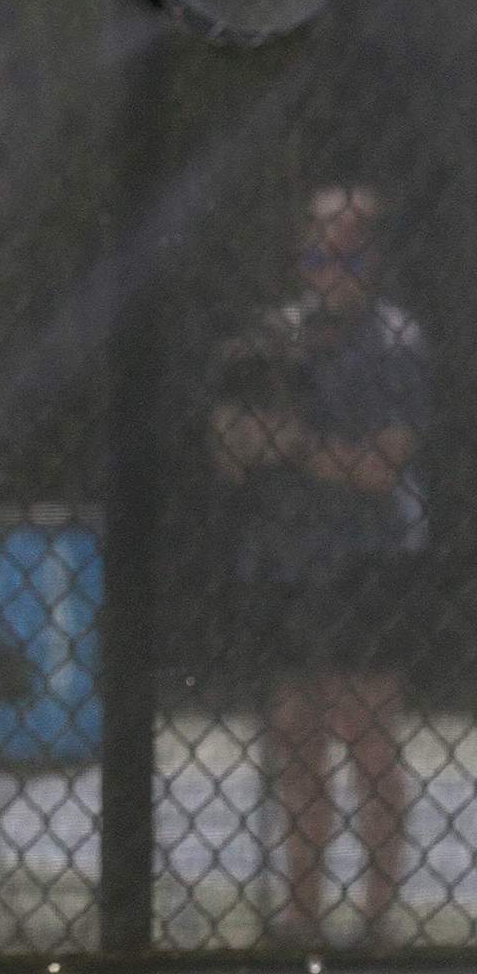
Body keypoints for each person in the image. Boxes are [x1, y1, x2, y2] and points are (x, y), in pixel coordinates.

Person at [208, 182, 428, 947]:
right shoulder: (275, 335)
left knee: (366, 737)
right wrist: (241, 429)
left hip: (368, 561)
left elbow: (379, 467)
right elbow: (234, 452)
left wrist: (292, 443)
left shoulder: (396, 343)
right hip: (287, 562)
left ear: (376, 262)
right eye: (317, 256)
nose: (330, 271)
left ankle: (376, 919)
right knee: (295, 738)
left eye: (348, 256)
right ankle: (299, 917)